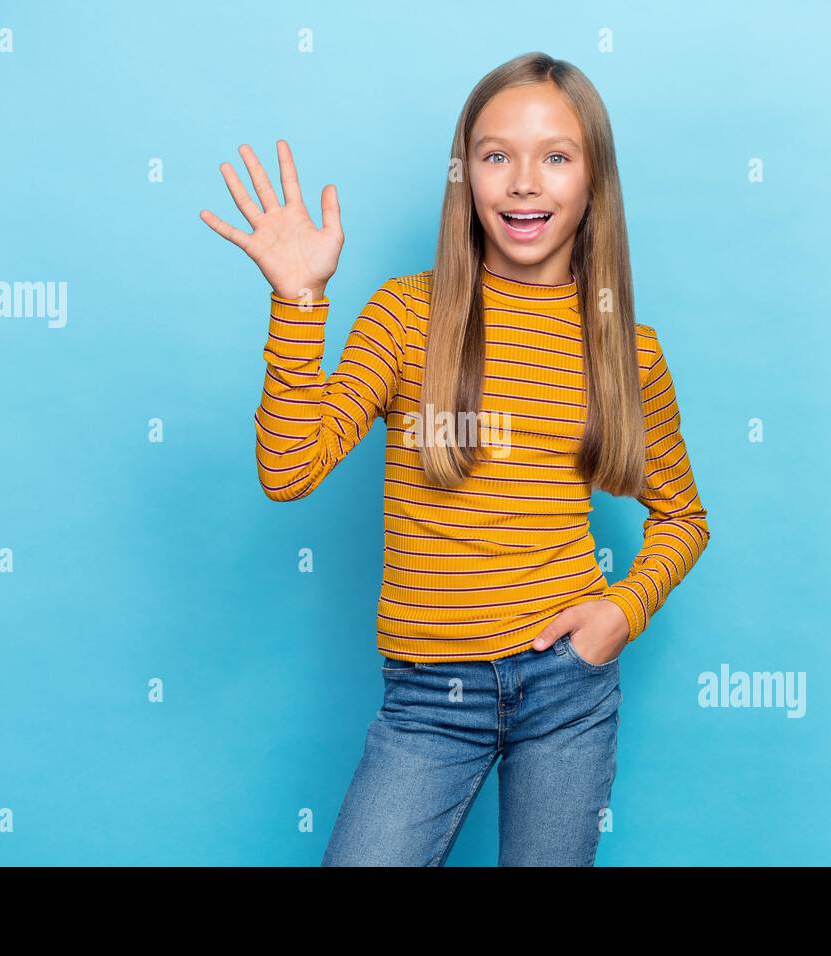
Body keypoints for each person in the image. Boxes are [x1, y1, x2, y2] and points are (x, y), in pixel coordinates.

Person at [200, 51, 711, 866]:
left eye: (556, 157)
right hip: (428, 698)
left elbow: (684, 518)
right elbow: (288, 469)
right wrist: (298, 302)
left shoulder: (626, 350)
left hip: (568, 689)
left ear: (593, 182)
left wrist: (622, 612)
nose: (523, 183)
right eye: (496, 155)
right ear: (464, 174)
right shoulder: (407, 316)